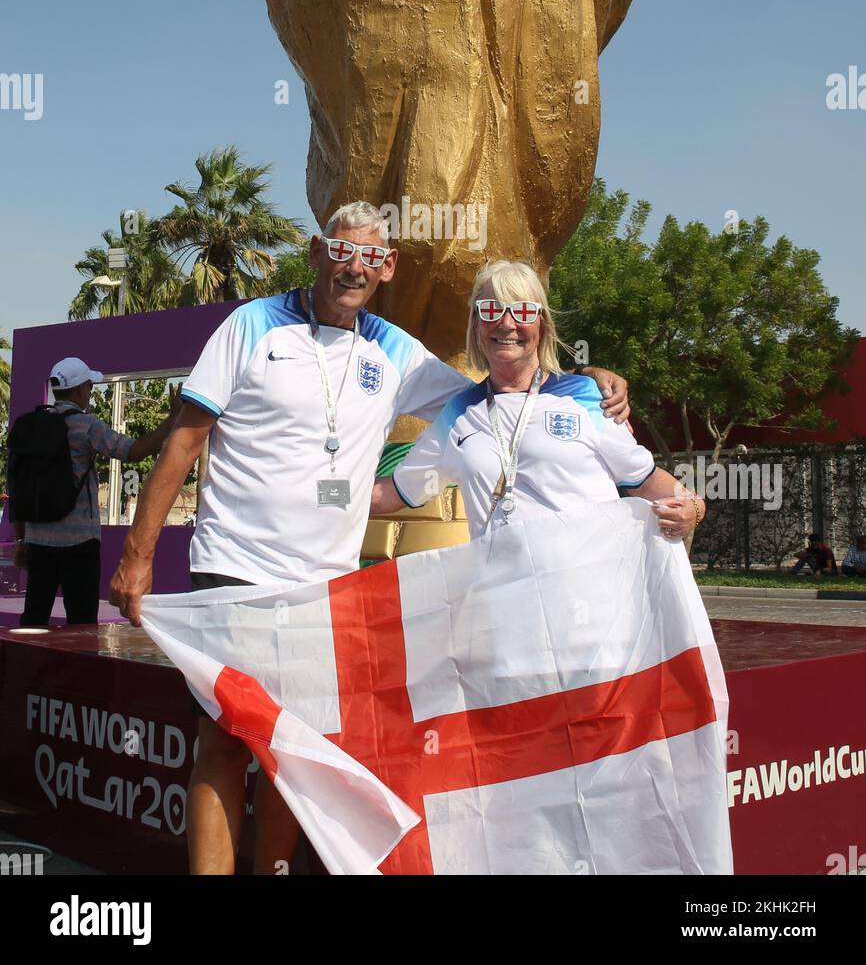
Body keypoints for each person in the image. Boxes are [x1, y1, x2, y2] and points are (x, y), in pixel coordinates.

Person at [109, 202, 630, 876]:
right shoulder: (251, 325)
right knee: (225, 742)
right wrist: (137, 557)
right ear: (317, 252)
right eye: (342, 252)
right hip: (236, 568)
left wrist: (584, 382)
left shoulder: (393, 350)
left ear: (386, 270)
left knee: (291, 751)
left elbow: (494, 390)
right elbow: (184, 441)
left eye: (371, 258)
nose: (354, 268)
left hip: (325, 586)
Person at [372, 260, 705, 545]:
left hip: (590, 598)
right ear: (475, 325)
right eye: (490, 310)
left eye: (522, 311)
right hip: (507, 601)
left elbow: (645, 480)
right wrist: (325, 488)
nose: (506, 323)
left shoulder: (585, 396)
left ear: (542, 324)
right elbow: (393, 493)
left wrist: (692, 509)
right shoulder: (459, 412)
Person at [13, 357, 179, 627]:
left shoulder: (30, 427)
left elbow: (19, 485)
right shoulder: (86, 426)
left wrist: (21, 541)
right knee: (82, 621)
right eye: (90, 387)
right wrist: (172, 420)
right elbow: (134, 451)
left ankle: (27, 668)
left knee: (34, 618)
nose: (91, 392)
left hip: (37, 539)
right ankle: (79, 670)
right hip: (80, 542)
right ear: (79, 390)